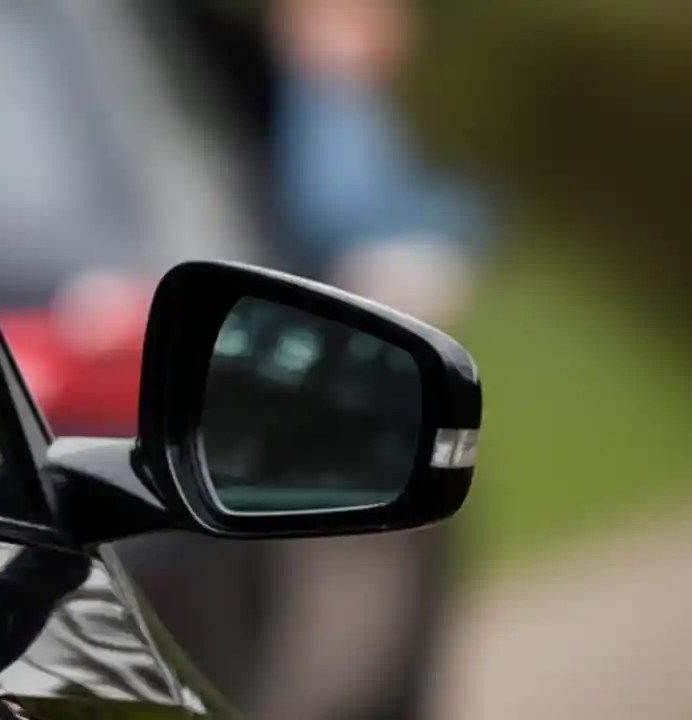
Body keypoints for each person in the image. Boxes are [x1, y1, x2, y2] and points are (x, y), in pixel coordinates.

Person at [244, 1, 490, 718]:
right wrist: (451, 223)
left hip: (338, 401)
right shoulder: (331, 97)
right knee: (348, 626)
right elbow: (339, 213)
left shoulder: (323, 101)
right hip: (343, 407)